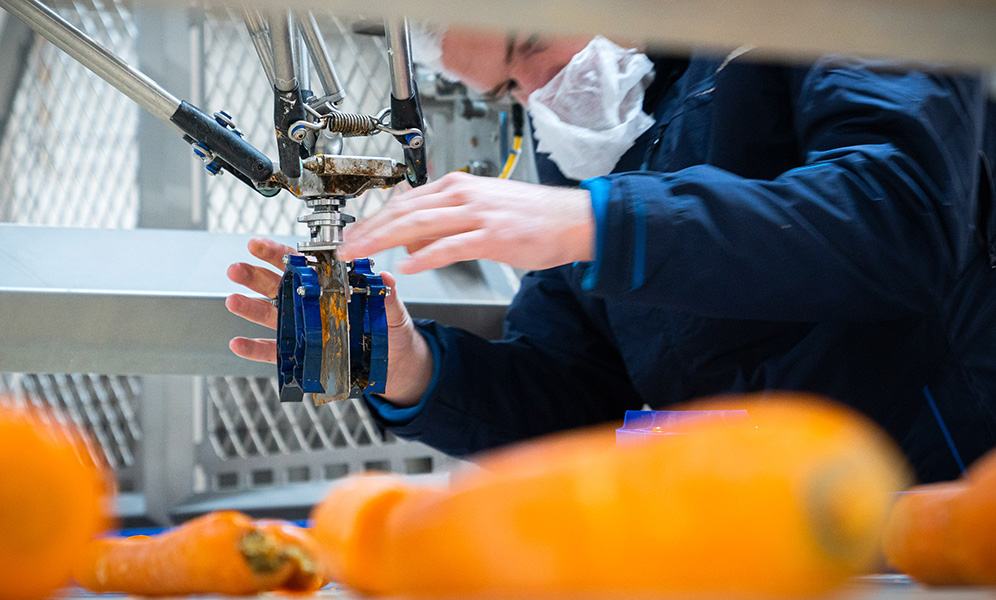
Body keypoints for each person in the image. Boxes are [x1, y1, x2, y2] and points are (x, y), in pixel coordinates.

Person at [226, 28, 996, 484]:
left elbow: (900, 215)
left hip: (941, 489)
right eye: (505, 89)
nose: (540, 91)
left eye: (532, 46)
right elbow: (583, 398)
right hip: (766, 525)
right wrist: (413, 369)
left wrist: (597, 222)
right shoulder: (590, 145)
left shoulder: (803, 24)